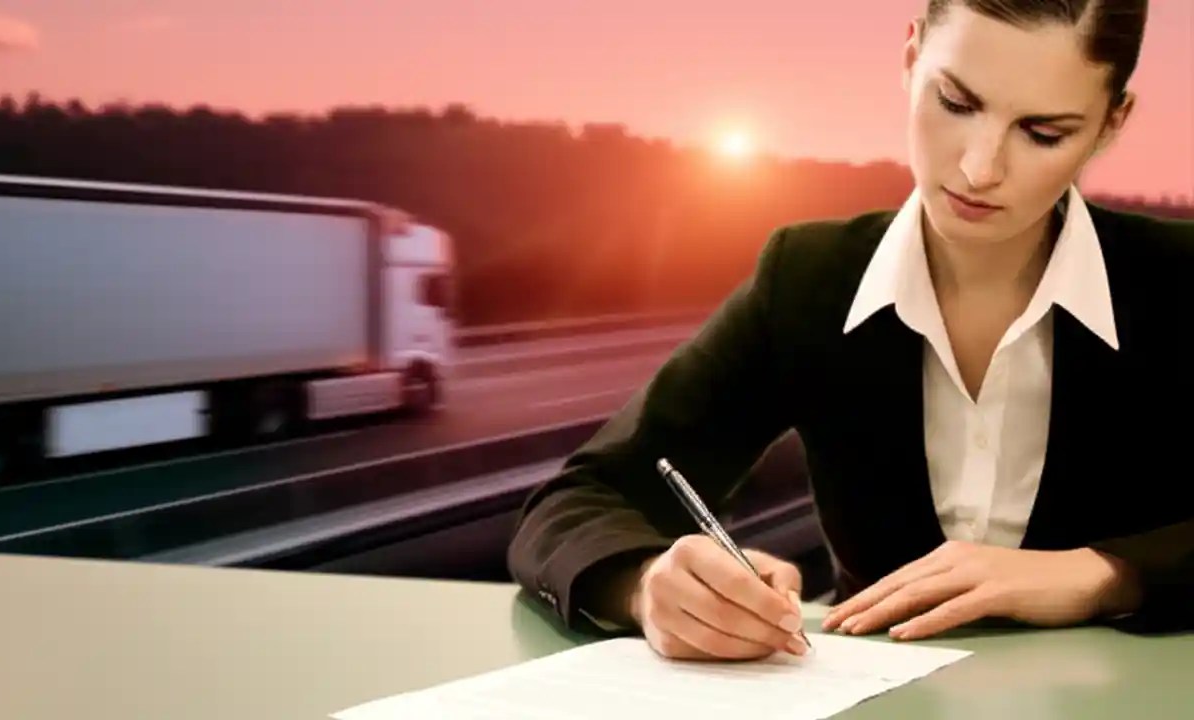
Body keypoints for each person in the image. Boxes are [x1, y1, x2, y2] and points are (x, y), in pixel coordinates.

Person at [506, 0, 1194, 662]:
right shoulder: (807, 280)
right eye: (955, 103)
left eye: (1043, 133)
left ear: (1112, 121)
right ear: (911, 55)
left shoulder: (1179, 280)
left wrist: (1103, 576)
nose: (980, 168)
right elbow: (575, 503)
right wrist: (646, 582)